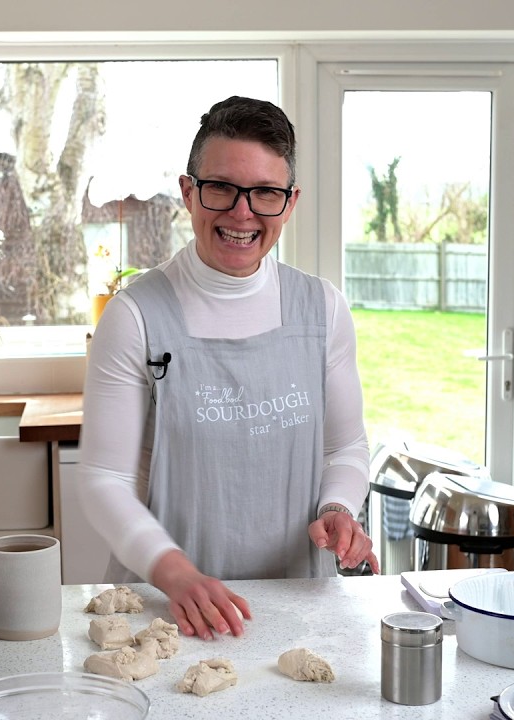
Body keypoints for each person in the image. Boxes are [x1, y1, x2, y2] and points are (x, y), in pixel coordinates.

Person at [78, 95, 378, 641]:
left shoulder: (323, 309)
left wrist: (339, 506)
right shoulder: (135, 316)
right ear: (189, 192)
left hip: (296, 603)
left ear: (289, 203)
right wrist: (177, 573)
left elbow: (345, 447)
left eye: (266, 193)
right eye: (222, 188)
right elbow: (105, 480)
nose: (243, 213)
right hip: (167, 613)